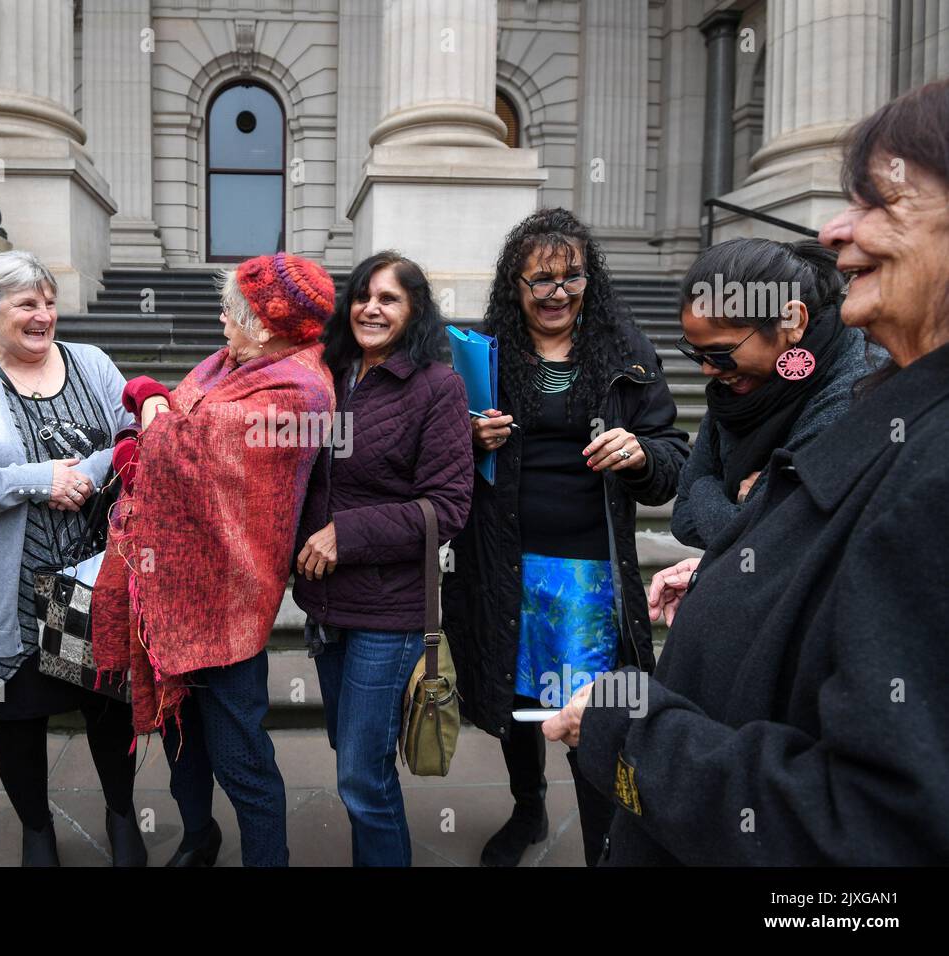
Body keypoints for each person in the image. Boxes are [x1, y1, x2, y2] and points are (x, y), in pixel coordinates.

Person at [545, 77, 949, 865]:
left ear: (790, 327)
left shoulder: (910, 444)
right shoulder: (896, 398)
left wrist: (629, 735)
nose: (836, 229)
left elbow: (867, 833)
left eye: (880, 203)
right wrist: (731, 570)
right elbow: (700, 499)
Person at [440, 207, 690, 867]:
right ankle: (527, 810)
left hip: (589, 576)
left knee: (593, 717)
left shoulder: (625, 349)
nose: (556, 294)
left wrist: (640, 454)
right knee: (515, 699)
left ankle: (607, 842)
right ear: (514, 285)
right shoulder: (483, 352)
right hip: (502, 564)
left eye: (570, 278)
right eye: (539, 281)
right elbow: (433, 454)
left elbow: (674, 460)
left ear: (590, 278)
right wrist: (465, 437)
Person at [91, 252, 337, 867]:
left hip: (229, 600)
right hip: (171, 588)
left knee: (241, 757)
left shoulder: (301, 391)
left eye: (233, 310)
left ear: (268, 323)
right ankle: (200, 838)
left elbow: (192, 441)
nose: (222, 319)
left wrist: (147, 401)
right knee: (181, 740)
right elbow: (178, 419)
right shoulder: (228, 361)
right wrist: (156, 412)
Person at [0, 250, 145, 867]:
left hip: (94, 580)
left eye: (49, 301)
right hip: (10, 591)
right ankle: (37, 830)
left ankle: (124, 819)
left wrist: (90, 474)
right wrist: (34, 480)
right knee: (21, 719)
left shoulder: (90, 362)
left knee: (107, 709)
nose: (44, 316)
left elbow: (135, 434)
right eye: (27, 304)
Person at [291, 251, 472, 866]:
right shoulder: (326, 373)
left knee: (362, 779)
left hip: (388, 611)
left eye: (389, 298)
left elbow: (447, 507)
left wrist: (348, 532)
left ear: (414, 309)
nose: (371, 307)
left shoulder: (436, 388)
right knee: (352, 756)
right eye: (363, 295)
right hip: (325, 603)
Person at [671, 238, 879, 548]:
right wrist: (740, 501)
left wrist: (702, 487)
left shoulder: (855, 386)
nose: (708, 370)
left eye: (720, 352)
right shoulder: (736, 390)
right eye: (696, 353)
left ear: (793, 321)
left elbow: (774, 541)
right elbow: (683, 521)